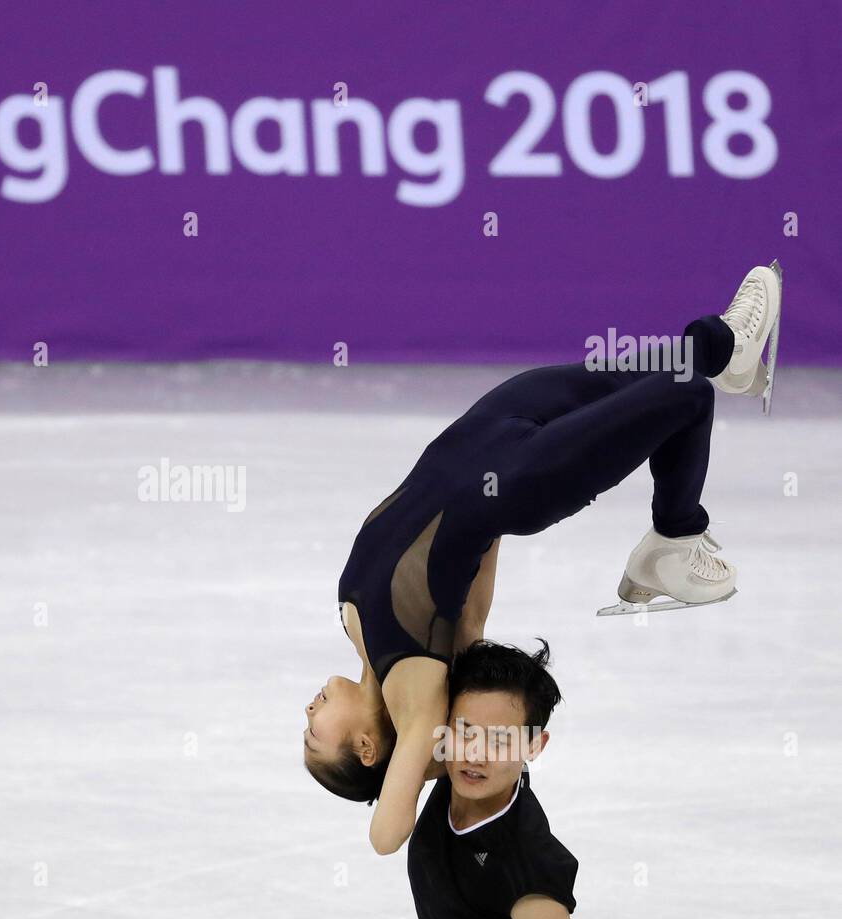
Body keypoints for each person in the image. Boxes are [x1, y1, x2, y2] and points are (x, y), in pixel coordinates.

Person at [301, 264, 783, 855]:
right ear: (367, 749)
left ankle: (726, 347)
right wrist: (416, 760)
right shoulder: (417, 696)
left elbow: (468, 590)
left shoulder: (361, 631)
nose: (307, 713)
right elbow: (385, 837)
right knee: (684, 395)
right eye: (311, 736)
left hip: (480, 431)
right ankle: (673, 540)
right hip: (518, 480)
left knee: (653, 369)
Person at [407, 640, 577, 919]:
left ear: (534, 745)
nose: (474, 754)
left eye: (498, 740)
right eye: (463, 731)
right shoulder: (452, 769)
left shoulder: (531, 874)